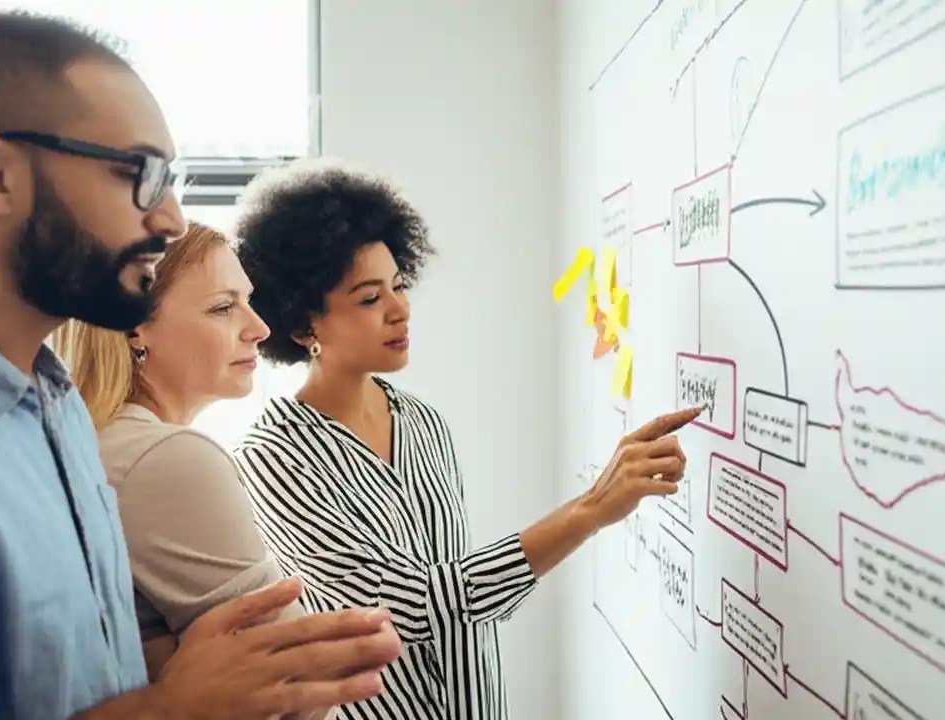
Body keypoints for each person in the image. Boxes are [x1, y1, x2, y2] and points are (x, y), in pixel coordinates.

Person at [0, 10, 400, 719]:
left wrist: (160, 678)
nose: (173, 218)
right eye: (141, 175)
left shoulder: (52, 405)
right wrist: (170, 710)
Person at [228, 157, 703, 720]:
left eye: (398, 286)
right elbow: (411, 609)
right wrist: (590, 510)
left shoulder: (423, 424)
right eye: (369, 298)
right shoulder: (273, 457)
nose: (401, 310)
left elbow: (474, 593)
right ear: (305, 325)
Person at [52, 220, 328, 717]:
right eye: (223, 308)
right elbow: (297, 684)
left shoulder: (95, 443)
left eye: (248, 300)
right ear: (135, 326)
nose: (259, 329)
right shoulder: (165, 458)